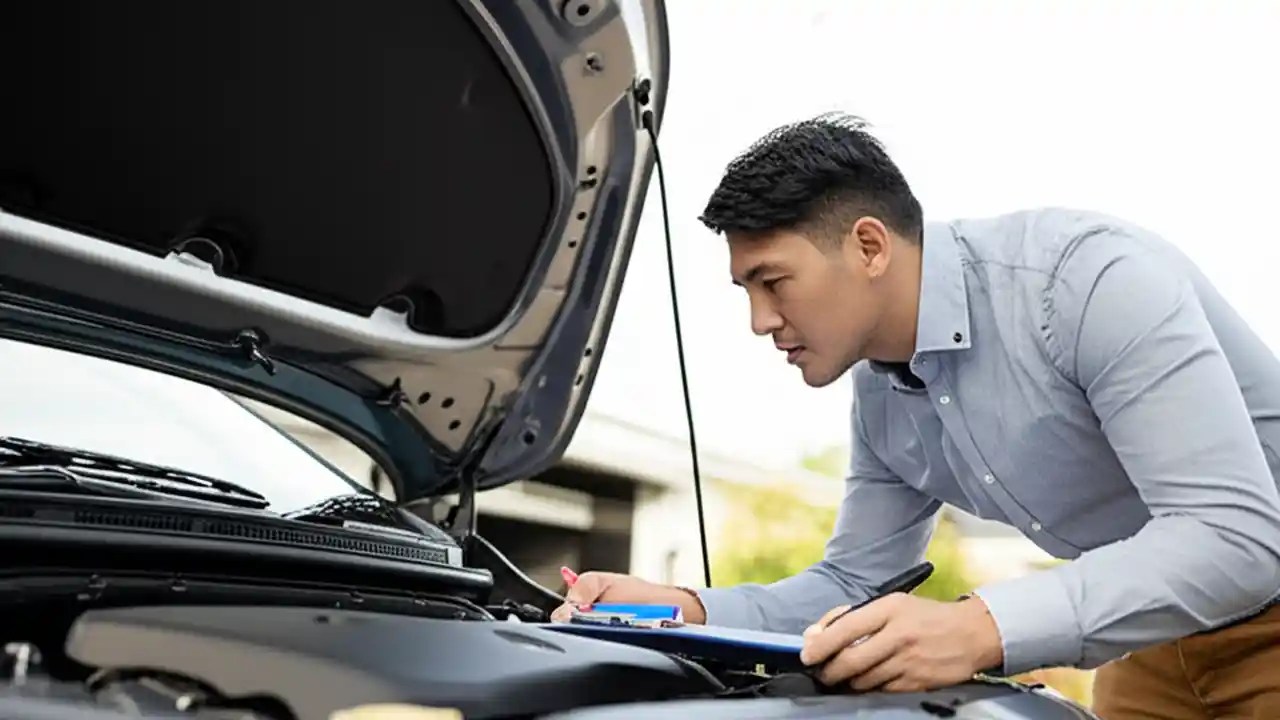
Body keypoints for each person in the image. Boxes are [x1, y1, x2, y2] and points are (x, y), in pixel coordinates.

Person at [552, 112, 1280, 717]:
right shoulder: (879, 394)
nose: (759, 320)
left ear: (869, 245)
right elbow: (852, 584)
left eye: (773, 282)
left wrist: (977, 628)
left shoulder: (1086, 285)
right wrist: (685, 609)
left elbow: (1237, 537)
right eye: (746, 289)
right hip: (1149, 640)